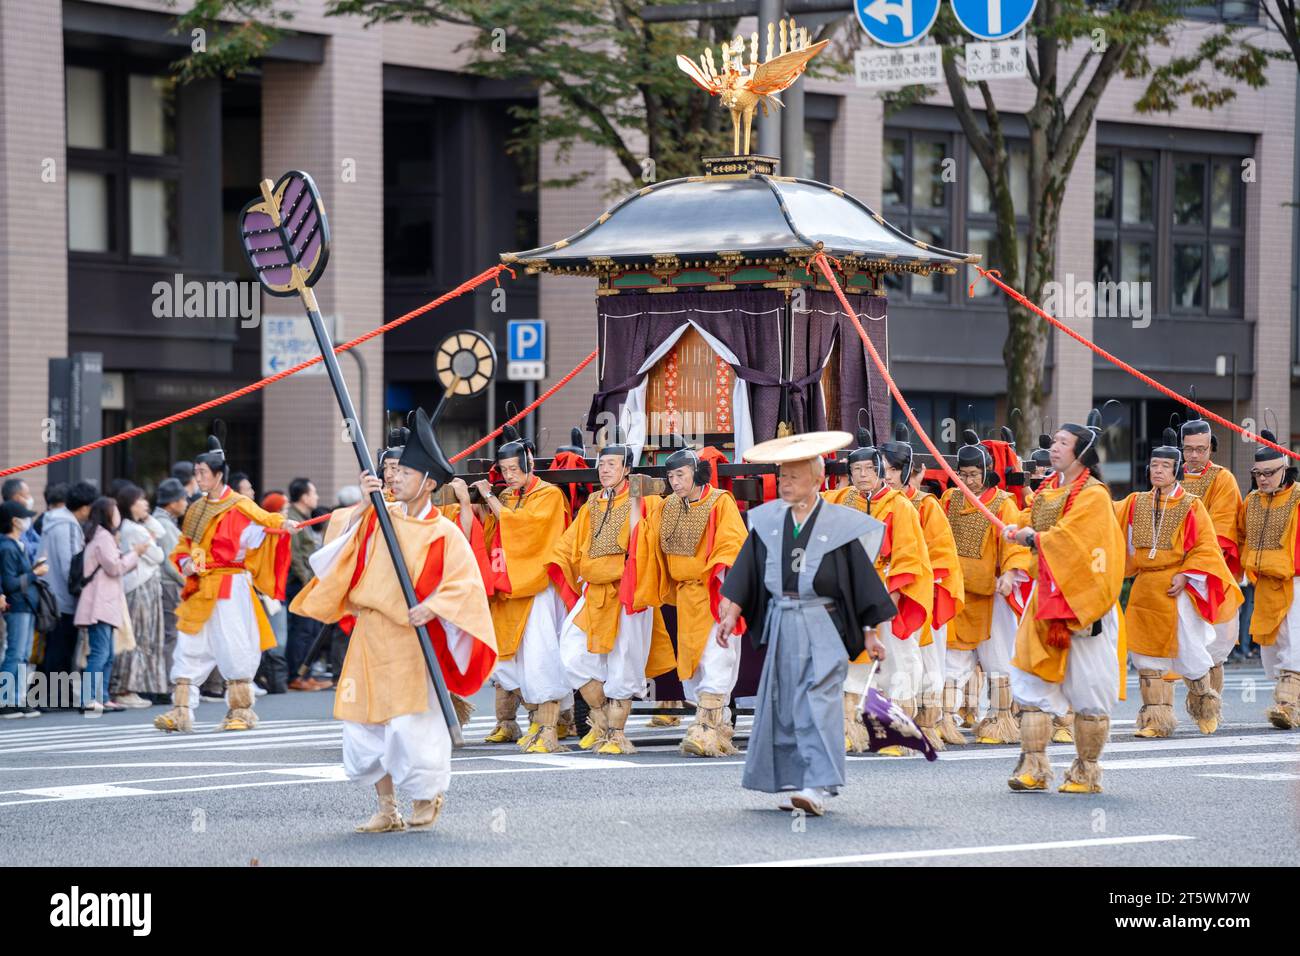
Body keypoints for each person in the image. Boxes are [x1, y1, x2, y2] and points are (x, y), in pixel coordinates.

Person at [291, 406, 496, 832]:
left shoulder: (444, 533)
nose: (393, 478)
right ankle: (387, 808)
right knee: (366, 725)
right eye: (392, 472)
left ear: (428, 482)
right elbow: (341, 548)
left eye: (403, 472)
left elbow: (466, 585)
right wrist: (367, 504)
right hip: (371, 633)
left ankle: (426, 794)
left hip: (412, 638)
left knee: (410, 727)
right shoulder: (377, 515)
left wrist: (435, 605)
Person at [718, 431, 894, 817]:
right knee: (784, 703)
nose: (785, 483)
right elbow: (747, 571)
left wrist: (871, 633)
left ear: (816, 481)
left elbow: (862, 581)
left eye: (793, 477)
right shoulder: (768, 522)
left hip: (823, 622)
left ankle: (818, 783)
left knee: (819, 701)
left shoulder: (839, 525)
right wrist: (731, 610)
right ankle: (794, 779)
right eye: (782, 476)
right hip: (783, 620)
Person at [1000, 410, 1126, 794]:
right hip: (1045, 597)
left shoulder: (1095, 497)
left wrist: (1030, 538)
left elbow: (1073, 541)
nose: (1053, 448)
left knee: (1088, 690)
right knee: (1030, 680)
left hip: (1084, 602)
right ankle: (1034, 767)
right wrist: (1016, 534)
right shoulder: (1046, 492)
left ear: (1082, 454)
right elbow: (1029, 523)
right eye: (1053, 441)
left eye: (1063, 443)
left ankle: (1086, 771)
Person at [153, 433, 294, 733]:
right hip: (200, 585)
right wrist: (185, 562)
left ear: (218, 475)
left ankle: (240, 711)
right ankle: (181, 711)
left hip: (231, 583)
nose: (198, 478)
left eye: (203, 472)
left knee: (235, 644)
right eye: (197, 473)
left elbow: (267, 523)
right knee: (189, 644)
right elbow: (183, 545)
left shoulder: (240, 505)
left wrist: (283, 524)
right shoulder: (196, 508)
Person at [450, 425, 574, 752]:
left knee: (540, 655)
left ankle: (548, 726)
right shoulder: (505, 496)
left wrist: (489, 496)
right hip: (508, 583)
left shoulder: (548, 495)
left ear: (528, 464)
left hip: (537, 587)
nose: (509, 476)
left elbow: (524, 530)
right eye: (504, 471)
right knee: (505, 659)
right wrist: (472, 503)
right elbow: (492, 534)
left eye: (514, 469)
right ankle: (533, 721)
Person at [1115, 431, 1242, 738]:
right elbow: (1105, 524)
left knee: (1191, 656)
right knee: (1146, 658)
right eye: (1154, 465)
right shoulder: (1134, 502)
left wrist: (1186, 575)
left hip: (1178, 588)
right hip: (1145, 588)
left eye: (1164, 466)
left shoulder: (1191, 505)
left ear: (1177, 471)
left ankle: (1205, 709)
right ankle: (1156, 721)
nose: (1157, 470)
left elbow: (1205, 548)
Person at [550, 440, 672, 755]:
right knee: (571, 652)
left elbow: (649, 535)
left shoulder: (646, 499)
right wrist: (551, 561)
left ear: (627, 470)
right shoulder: (592, 501)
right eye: (602, 464)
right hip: (594, 591)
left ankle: (616, 734)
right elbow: (571, 543)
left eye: (612, 465)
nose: (604, 470)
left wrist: (636, 501)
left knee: (625, 661)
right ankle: (602, 720)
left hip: (628, 589)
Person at [822, 427, 931, 755]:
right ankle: (846, 729)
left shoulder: (901, 506)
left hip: (888, 588)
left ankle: (895, 733)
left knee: (895, 662)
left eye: (868, 469)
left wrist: (890, 601)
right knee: (852, 660)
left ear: (881, 472)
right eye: (855, 470)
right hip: (853, 591)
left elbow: (908, 556)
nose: (861, 475)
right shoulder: (845, 500)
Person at [644, 444, 749, 757]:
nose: (675, 481)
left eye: (681, 474)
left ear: (698, 473)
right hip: (685, 597)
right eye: (671, 476)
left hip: (715, 592)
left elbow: (732, 546)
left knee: (718, 659)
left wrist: (728, 593)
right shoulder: (668, 506)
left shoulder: (720, 502)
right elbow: (646, 532)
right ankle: (721, 730)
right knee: (695, 667)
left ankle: (704, 731)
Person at [938, 432, 1031, 746]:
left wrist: (1010, 573)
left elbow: (1015, 544)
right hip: (958, 593)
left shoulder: (1004, 504)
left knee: (998, 661)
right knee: (953, 660)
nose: (969, 481)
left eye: (974, 475)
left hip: (993, 596)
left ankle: (1001, 720)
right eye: (963, 475)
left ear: (987, 472)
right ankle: (943, 719)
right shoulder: (950, 499)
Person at [895, 425, 966, 751]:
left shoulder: (926, 505)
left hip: (924, 594)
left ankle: (929, 724)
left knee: (930, 662)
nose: (889, 475)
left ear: (907, 472)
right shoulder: (882, 503)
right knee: (900, 664)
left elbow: (941, 553)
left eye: (895, 469)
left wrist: (920, 582)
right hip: (894, 594)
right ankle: (897, 724)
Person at [1175, 411, 1245, 691]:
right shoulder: (1170, 474)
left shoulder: (1223, 479)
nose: (1194, 455)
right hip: (1173, 571)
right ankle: (1159, 711)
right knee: (1170, 642)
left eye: (1201, 449)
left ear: (1211, 448)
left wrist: (1189, 561)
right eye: (1189, 449)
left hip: (1208, 573)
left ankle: (1207, 702)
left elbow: (1220, 532)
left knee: (1212, 644)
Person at [1236, 430, 1300, 729]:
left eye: (1269, 473)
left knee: (1293, 645)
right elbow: (1239, 538)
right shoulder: (1250, 501)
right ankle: (1289, 702)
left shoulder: (1299, 496)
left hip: (1296, 582)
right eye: (1257, 474)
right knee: (1270, 649)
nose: (1263, 479)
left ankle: (1285, 706)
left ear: (1284, 470)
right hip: (1262, 584)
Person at [75, 496, 150, 717]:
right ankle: (91, 699)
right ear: (107, 513)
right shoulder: (104, 537)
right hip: (101, 603)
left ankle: (102, 697)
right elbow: (114, 567)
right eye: (114, 510)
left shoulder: (98, 535)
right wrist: (135, 553)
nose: (118, 514)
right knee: (101, 653)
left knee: (106, 653)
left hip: (103, 602)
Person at [36, 480, 97, 694]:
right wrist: (82, 589)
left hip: (49, 594)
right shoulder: (68, 525)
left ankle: (49, 693)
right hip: (62, 598)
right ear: (85, 507)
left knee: (53, 646)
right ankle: (55, 695)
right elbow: (71, 564)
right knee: (61, 647)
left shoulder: (51, 521)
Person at [111, 484, 168, 709]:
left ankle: (132, 686)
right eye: (139, 501)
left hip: (144, 586)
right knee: (140, 636)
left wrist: (147, 523)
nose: (145, 504)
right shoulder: (132, 529)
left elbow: (159, 535)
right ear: (128, 505)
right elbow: (159, 555)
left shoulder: (133, 526)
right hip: (140, 587)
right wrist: (149, 534)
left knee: (143, 636)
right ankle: (127, 688)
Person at [1, 498, 46, 718]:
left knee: (24, 654)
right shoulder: (7, 547)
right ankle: (5, 700)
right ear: (15, 521)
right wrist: (34, 573)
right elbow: (9, 583)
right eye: (25, 517)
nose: (29, 520)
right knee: (15, 653)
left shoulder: (16, 544)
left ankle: (18, 699)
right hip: (17, 605)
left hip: (26, 605)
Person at [285, 477, 330, 692]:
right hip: (299, 582)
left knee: (310, 630)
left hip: (308, 581)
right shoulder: (292, 519)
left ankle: (306, 674)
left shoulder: (303, 517)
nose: (317, 497)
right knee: (301, 631)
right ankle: (296, 675)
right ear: (304, 497)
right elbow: (294, 556)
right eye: (313, 493)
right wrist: (307, 583)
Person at [151, 478, 187, 695]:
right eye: (182, 499)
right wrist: (189, 581)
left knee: (170, 634)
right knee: (171, 634)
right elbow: (173, 562)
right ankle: (168, 683)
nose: (185, 503)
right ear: (172, 502)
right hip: (170, 586)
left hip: (167, 584)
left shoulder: (164, 522)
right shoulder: (164, 525)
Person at [2, 478, 41, 563]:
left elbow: (38, 541)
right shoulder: (7, 518)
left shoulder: (26, 518)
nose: (30, 498)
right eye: (27, 494)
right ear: (17, 497)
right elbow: (24, 548)